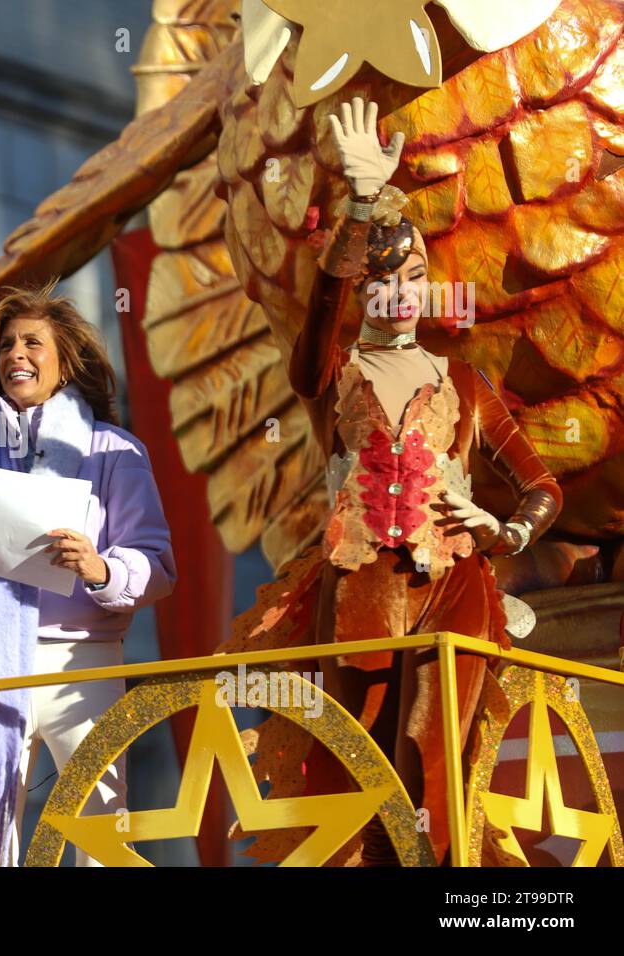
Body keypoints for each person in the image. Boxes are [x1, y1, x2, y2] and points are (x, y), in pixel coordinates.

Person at [222, 98, 562, 865]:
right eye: (384, 276)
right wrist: (364, 201)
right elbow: (317, 321)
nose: (403, 291)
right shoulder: (333, 374)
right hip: (360, 588)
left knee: (431, 756)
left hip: (456, 586)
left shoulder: (466, 383)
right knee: (362, 773)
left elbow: (542, 486)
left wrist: (503, 529)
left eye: (414, 274)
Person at [0, 280, 176, 866]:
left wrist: (101, 568)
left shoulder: (115, 450)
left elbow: (157, 565)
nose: (14, 355)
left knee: (99, 829)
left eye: (32, 342)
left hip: (85, 664)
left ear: (66, 362)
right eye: (5, 345)